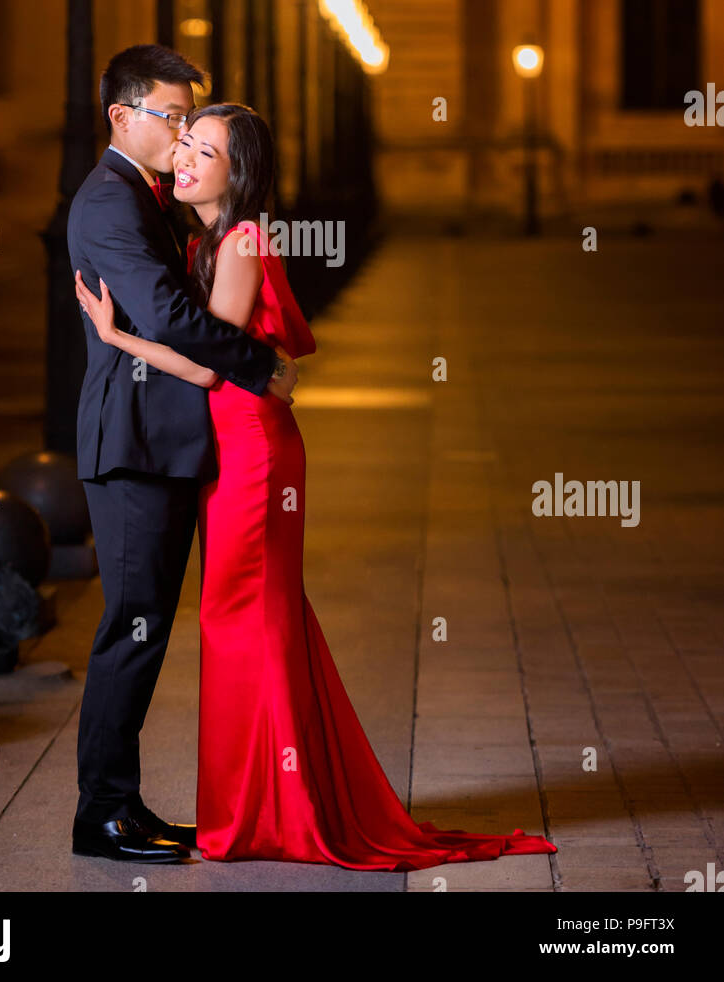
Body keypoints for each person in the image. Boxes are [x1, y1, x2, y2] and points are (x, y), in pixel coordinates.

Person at [75, 101, 559, 871]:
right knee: (249, 625)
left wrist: (114, 335)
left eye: (206, 150)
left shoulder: (237, 240)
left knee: (248, 624)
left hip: (252, 459)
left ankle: (275, 814)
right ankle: (258, 810)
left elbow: (209, 365)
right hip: (232, 451)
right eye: (186, 143)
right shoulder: (212, 240)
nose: (187, 157)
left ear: (240, 173)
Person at [67, 47, 297, 864]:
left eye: (189, 121)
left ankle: (124, 806)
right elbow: (167, 315)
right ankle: (101, 815)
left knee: (147, 627)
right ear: (122, 117)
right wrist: (256, 363)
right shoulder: (108, 201)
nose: (180, 132)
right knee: (129, 630)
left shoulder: (143, 196)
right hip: (131, 442)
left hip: (158, 440)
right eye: (171, 117)